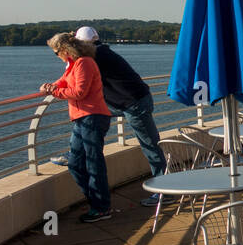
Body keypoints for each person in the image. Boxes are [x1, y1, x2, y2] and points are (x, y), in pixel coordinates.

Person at [73, 25, 166, 206]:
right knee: (93, 114)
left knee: (150, 145)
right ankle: (78, 150)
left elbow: (78, 81)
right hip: (127, 102)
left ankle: (164, 191)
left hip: (134, 103)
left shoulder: (97, 56)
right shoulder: (102, 52)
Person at [40, 33, 113, 222]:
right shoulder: (74, 65)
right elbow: (63, 82)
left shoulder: (85, 63)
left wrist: (54, 91)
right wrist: (50, 86)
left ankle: (101, 207)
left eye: (56, 52)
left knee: (93, 163)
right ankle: (96, 203)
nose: (56, 56)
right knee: (75, 163)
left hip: (93, 118)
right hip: (82, 119)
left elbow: (79, 92)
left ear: (65, 50)